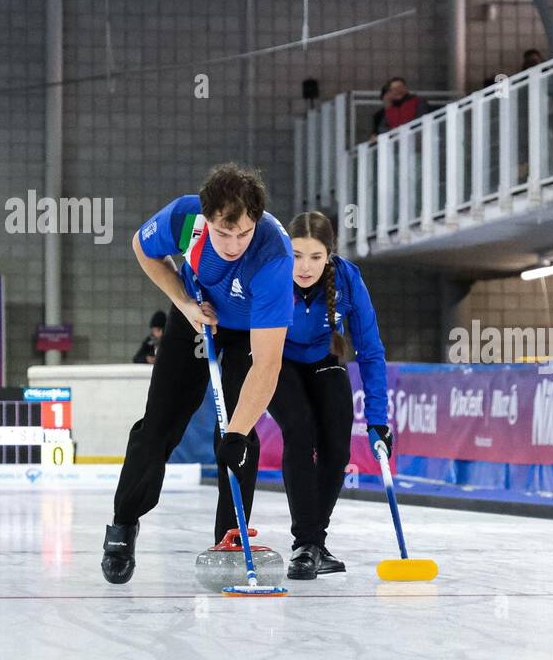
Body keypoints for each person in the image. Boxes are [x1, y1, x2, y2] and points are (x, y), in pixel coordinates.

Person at [102, 163, 293, 585]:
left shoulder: (274, 257)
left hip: (247, 330)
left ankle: (229, 538)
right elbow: (142, 246)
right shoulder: (185, 217)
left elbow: (268, 364)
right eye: (223, 233)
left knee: (237, 436)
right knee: (159, 425)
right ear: (206, 219)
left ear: (255, 221)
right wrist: (185, 303)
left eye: (243, 233)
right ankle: (123, 522)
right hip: (197, 314)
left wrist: (237, 433)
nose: (233, 243)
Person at [213, 210, 389, 581]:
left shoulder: (347, 280)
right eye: (295, 255)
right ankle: (305, 544)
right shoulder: (267, 271)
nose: (304, 267)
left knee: (338, 446)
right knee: (300, 428)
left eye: (315, 257)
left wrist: (378, 419)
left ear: (330, 257)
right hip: (274, 361)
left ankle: (313, 543)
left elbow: (371, 351)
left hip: (323, 359)